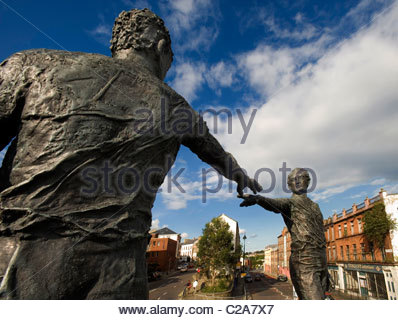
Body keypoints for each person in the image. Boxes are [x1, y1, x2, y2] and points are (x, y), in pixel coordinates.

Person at [0, 9, 261, 299]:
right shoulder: (178, 109)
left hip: (16, 260)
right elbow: (218, 155)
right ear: (161, 49)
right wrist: (242, 177)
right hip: (121, 275)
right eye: (169, 62)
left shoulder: (33, 65)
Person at [239, 168, 328, 300]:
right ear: (289, 185)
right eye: (292, 179)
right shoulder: (290, 204)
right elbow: (274, 204)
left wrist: (325, 265)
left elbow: (320, 233)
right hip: (304, 261)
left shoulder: (315, 206)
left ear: (308, 181)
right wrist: (257, 199)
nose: (297, 181)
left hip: (321, 260)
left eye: (300, 177)